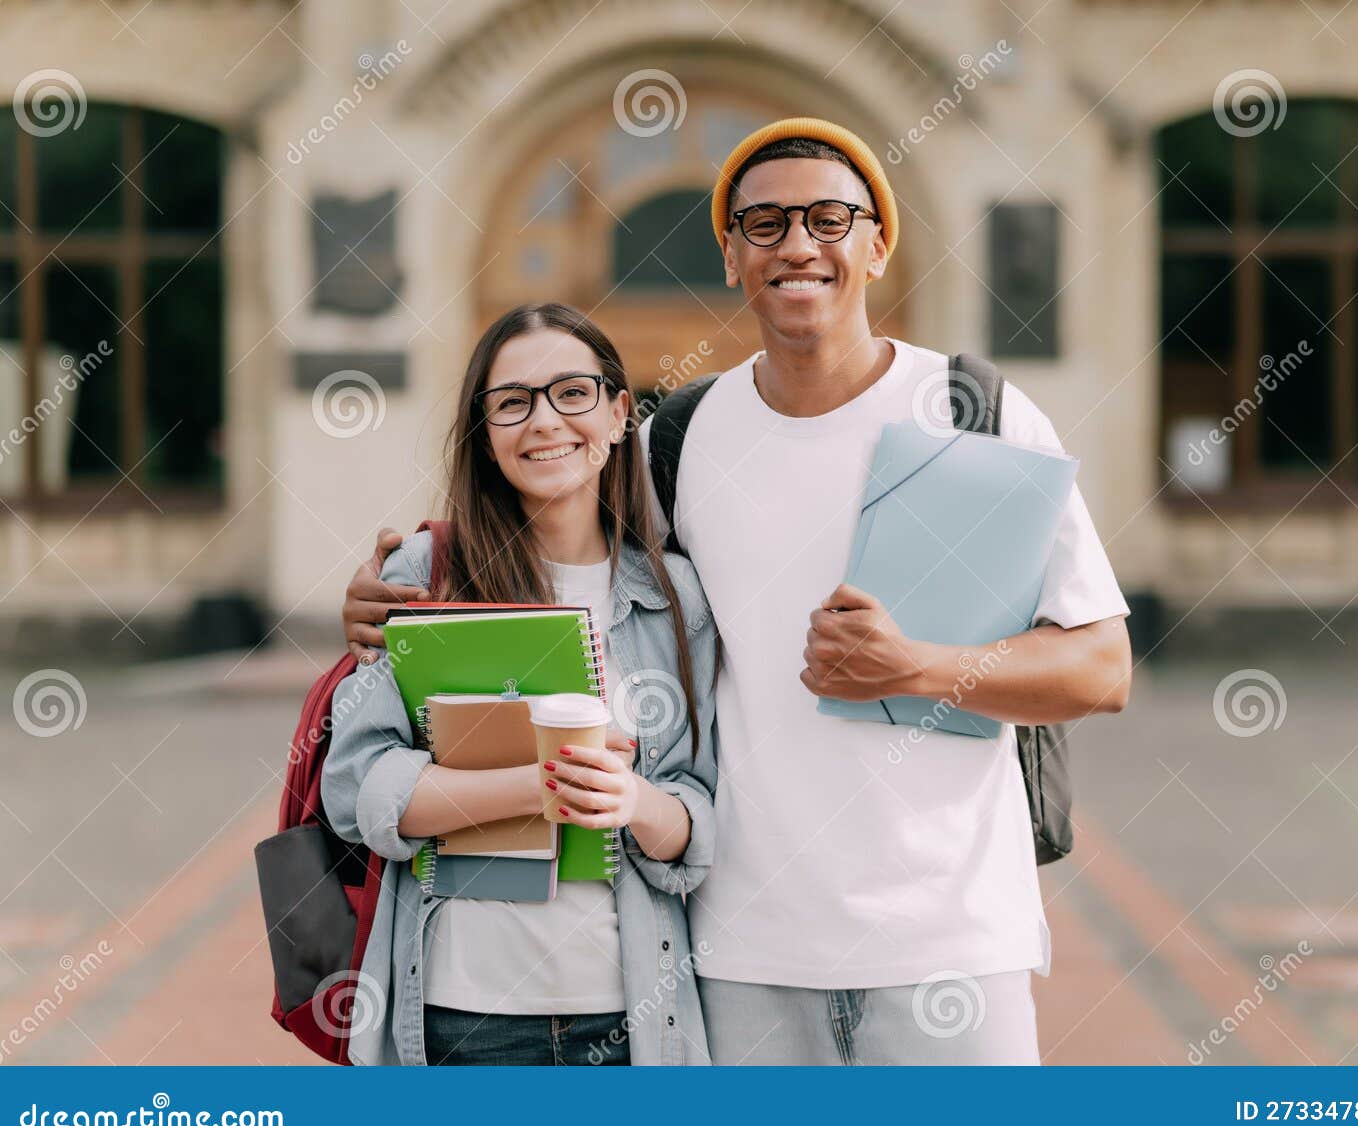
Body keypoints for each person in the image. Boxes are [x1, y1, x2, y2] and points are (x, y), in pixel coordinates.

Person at [343, 119, 1131, 1065]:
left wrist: (919, 666)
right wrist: (408, 575)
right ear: (731, 256)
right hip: (739, 949)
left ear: (879, 243)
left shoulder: (975, 415)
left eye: (831, 218)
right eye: (765, 224)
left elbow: (1100, 666)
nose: (798, 244)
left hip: (951, 942)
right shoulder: (680, 437)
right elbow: (551, 505)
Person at [322, 302, 718, 1065]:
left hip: (632, 1020)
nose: (544, 422)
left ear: (617, 413)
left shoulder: (678, 600)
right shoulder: (422, 579)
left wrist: (631, 800)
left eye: (572, 393)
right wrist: (539, 786)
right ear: (485, 433)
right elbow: (358, 789)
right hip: (463, 1018)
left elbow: (699, 823)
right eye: (512, 403)